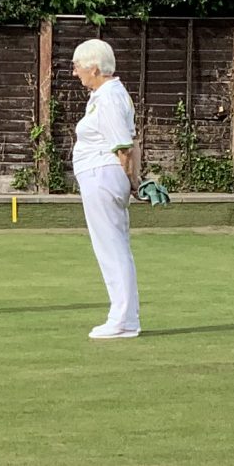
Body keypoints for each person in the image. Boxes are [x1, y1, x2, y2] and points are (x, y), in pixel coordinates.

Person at [72, 39, 141, 340]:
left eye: (77, 66)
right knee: (113, 247)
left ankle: (123, 320)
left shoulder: (110, 97)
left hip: (103, 176)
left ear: (94, 68)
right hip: (102, 176)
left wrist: (133, 182)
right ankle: (126, 317)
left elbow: (124, 147)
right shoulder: (106, 95)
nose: (74, 73)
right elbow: (132, 142)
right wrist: (134, 182)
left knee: (111, 248)